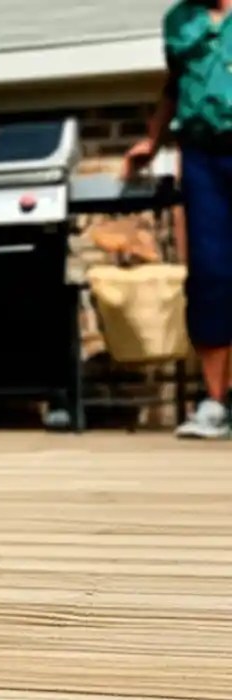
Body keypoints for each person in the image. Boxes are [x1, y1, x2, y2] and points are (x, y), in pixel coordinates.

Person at [125, 0, 232, 439]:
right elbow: (174, 85)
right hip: (202, 154)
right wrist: (151, 141)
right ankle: (215, 403)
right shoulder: (178, 20)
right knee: (210, 271)